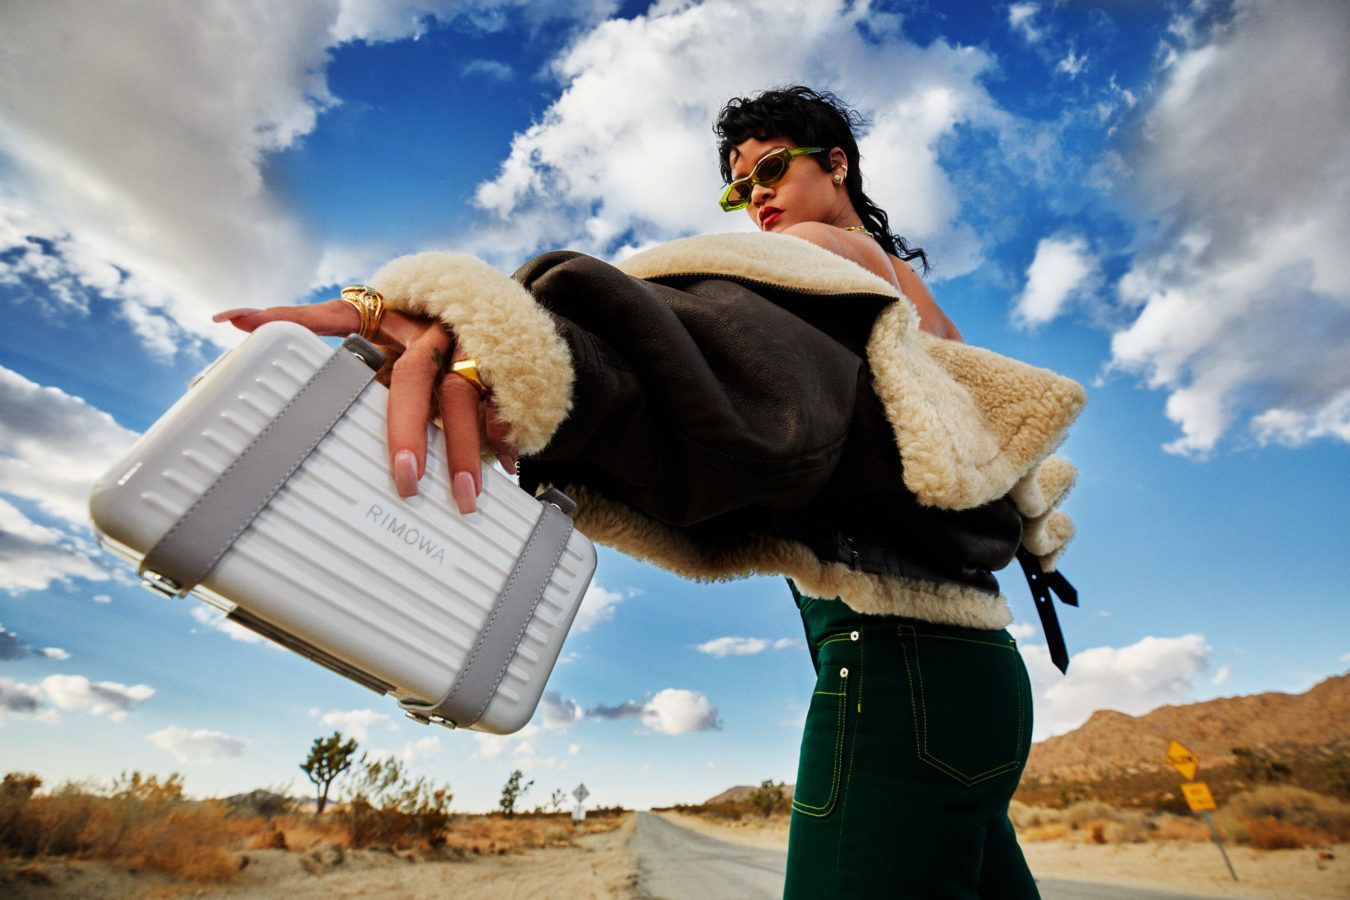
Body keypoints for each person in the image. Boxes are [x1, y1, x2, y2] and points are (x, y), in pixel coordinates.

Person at [215, 86, 1082, 898]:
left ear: (838, 164)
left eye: (771, 168)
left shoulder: (825, 257)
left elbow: (702, 343)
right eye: (739, 188)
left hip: (895, 668)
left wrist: (503, 342)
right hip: (978, 682)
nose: (755, 197)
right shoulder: (913, 308)